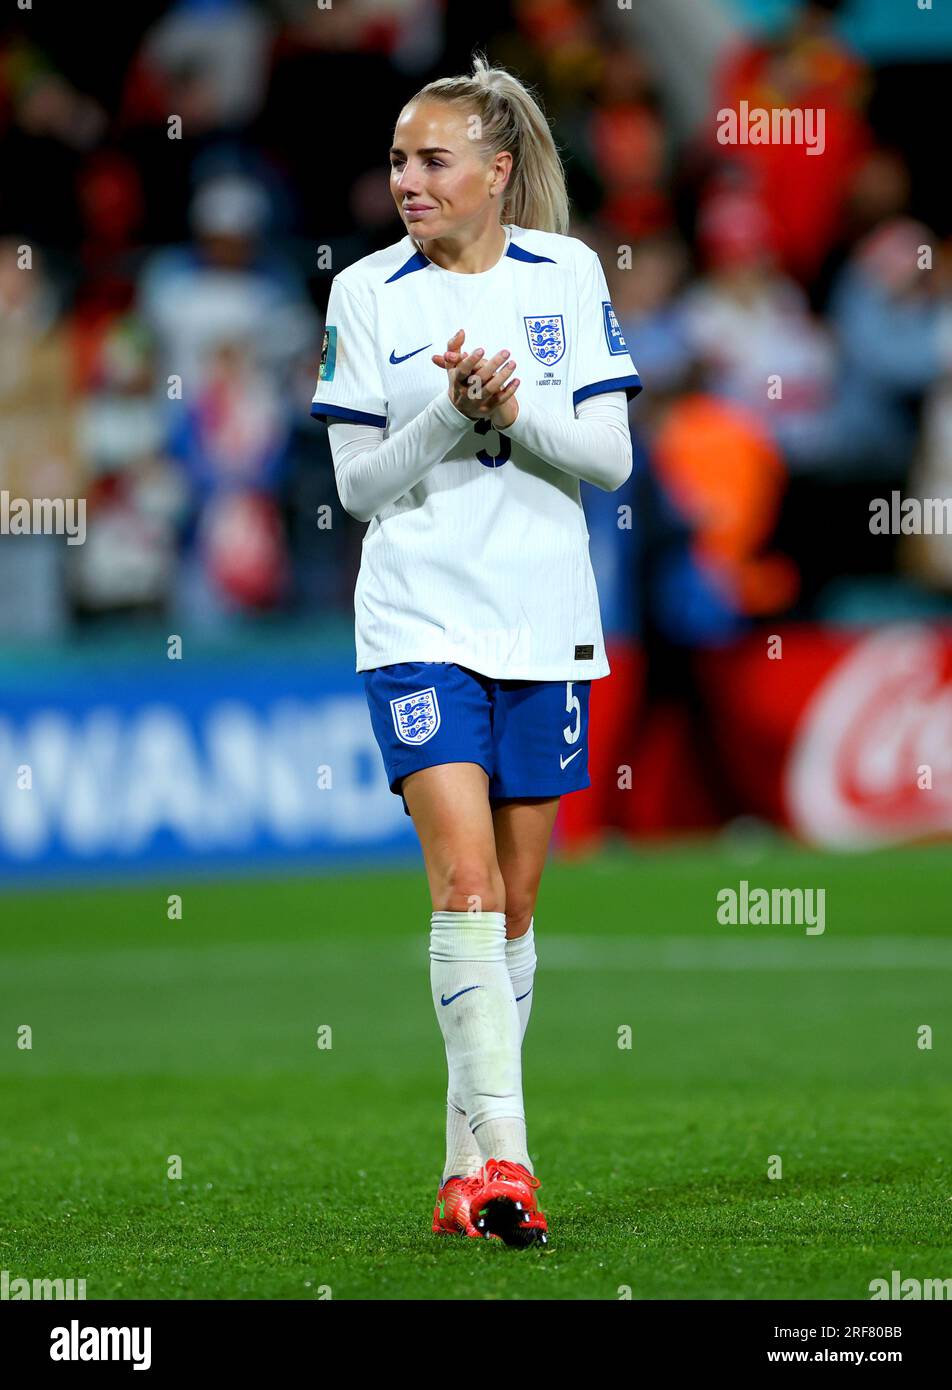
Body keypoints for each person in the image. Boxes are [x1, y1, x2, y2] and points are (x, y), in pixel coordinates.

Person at [310, 53, 641, 1247]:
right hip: (417, 622)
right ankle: (509, 1160)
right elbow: (354, 486)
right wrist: (451, 413)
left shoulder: (566, 273)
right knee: (464, 885)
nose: (407, 178)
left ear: (497, 172)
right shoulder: (368, 294)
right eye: (399, 159)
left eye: (431, 158)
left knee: (512, 913)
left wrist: (512, 413)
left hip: (541, 617)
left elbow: (608, 460)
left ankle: (463, 1170)